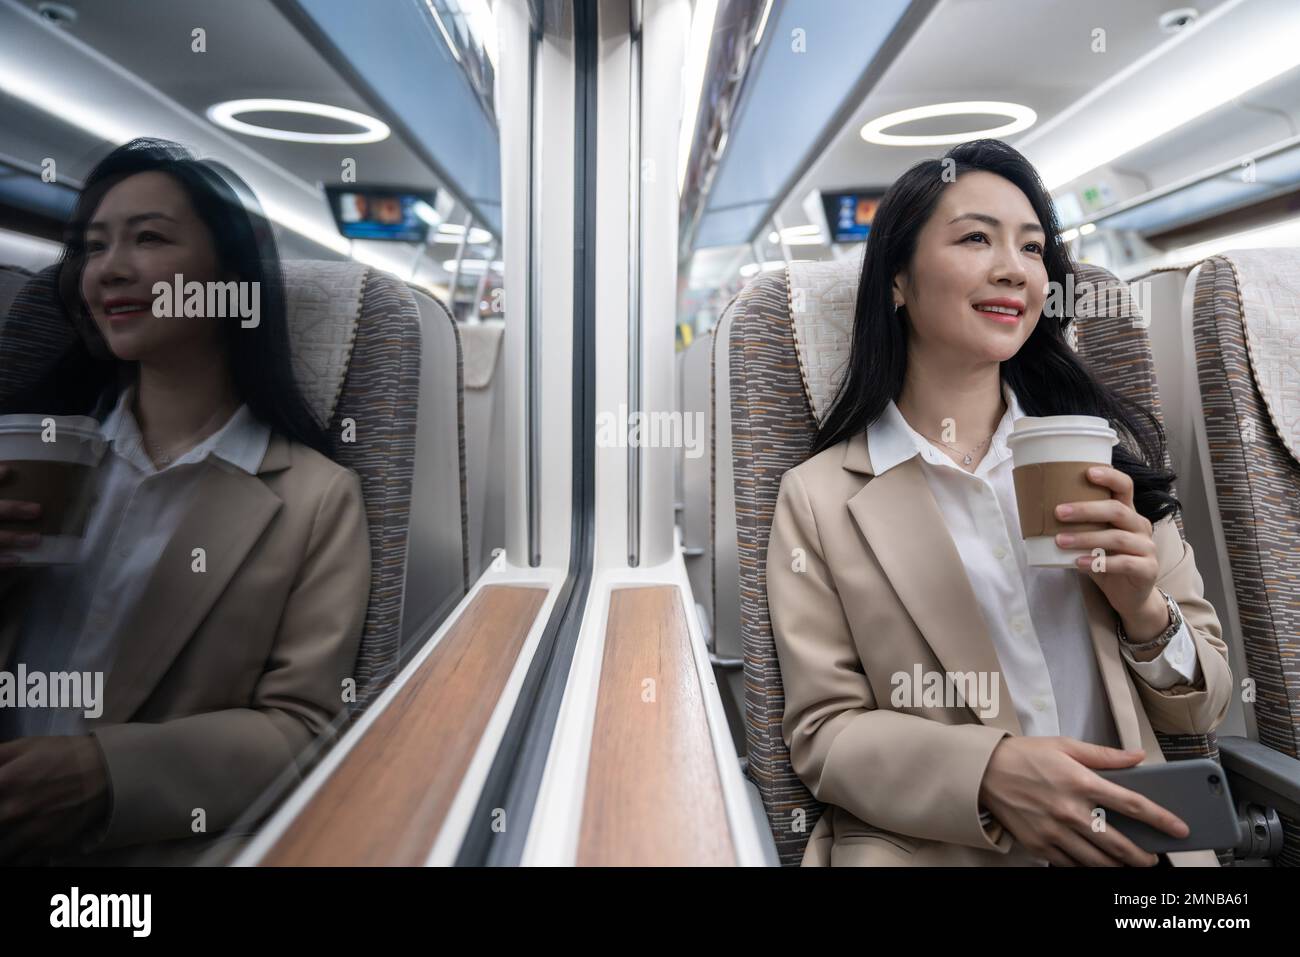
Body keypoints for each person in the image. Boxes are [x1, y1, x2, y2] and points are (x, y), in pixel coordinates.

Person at [766, 138, 1231, 867]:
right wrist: (987, 769)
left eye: (1033, 247)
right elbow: (825, 732)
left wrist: (1145, 612)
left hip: (1129, 850)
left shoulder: (1100, 457)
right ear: (897, 280)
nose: (1014, 268)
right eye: (976, 238)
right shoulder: (822, 497)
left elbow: (1205, 705)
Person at [0, 138, 371, 864]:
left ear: (231, 275)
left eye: (149, 238)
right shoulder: (31, 450)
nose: (109, 268)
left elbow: (304, 729)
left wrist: (104, 774)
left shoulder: (314, 500)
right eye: (94, 245)